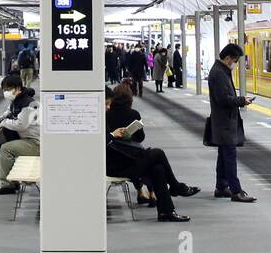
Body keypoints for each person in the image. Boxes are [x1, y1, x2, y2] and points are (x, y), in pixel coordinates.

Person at [105, 86, 198, 222]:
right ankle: (176, 187)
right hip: (117, 165)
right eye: (106, 103)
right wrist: (114, 135)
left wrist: (114, 135)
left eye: (109, 103)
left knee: (158, 169)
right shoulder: (128, 114)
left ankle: (166, 212)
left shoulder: (106, 116)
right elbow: (139, 138)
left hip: (122, 161)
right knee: (158, 153)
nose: (108, 107)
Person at [208, 42, 256, 202]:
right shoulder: (219, 73)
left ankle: (221, 187)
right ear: (227, 58)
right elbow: (223, 99)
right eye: (234, 61)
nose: (234, 64)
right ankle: (236, 191)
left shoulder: (220, 71)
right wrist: (242, 100)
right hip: (224, 122)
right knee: (229, 156)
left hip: (223, 121)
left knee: (223, 155)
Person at [0, 75, 41, 194]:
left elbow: (21, 124)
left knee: (6, 148)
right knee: (5, 145)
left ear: (18, 88)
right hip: (27, 140)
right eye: (4, 90)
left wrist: (3, 123)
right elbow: (6, 115)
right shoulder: (16, 101)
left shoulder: (28, 104)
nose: (6, 92)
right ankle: (12, 182)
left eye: (9, 89)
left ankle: (8, 185)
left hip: (36, 143)